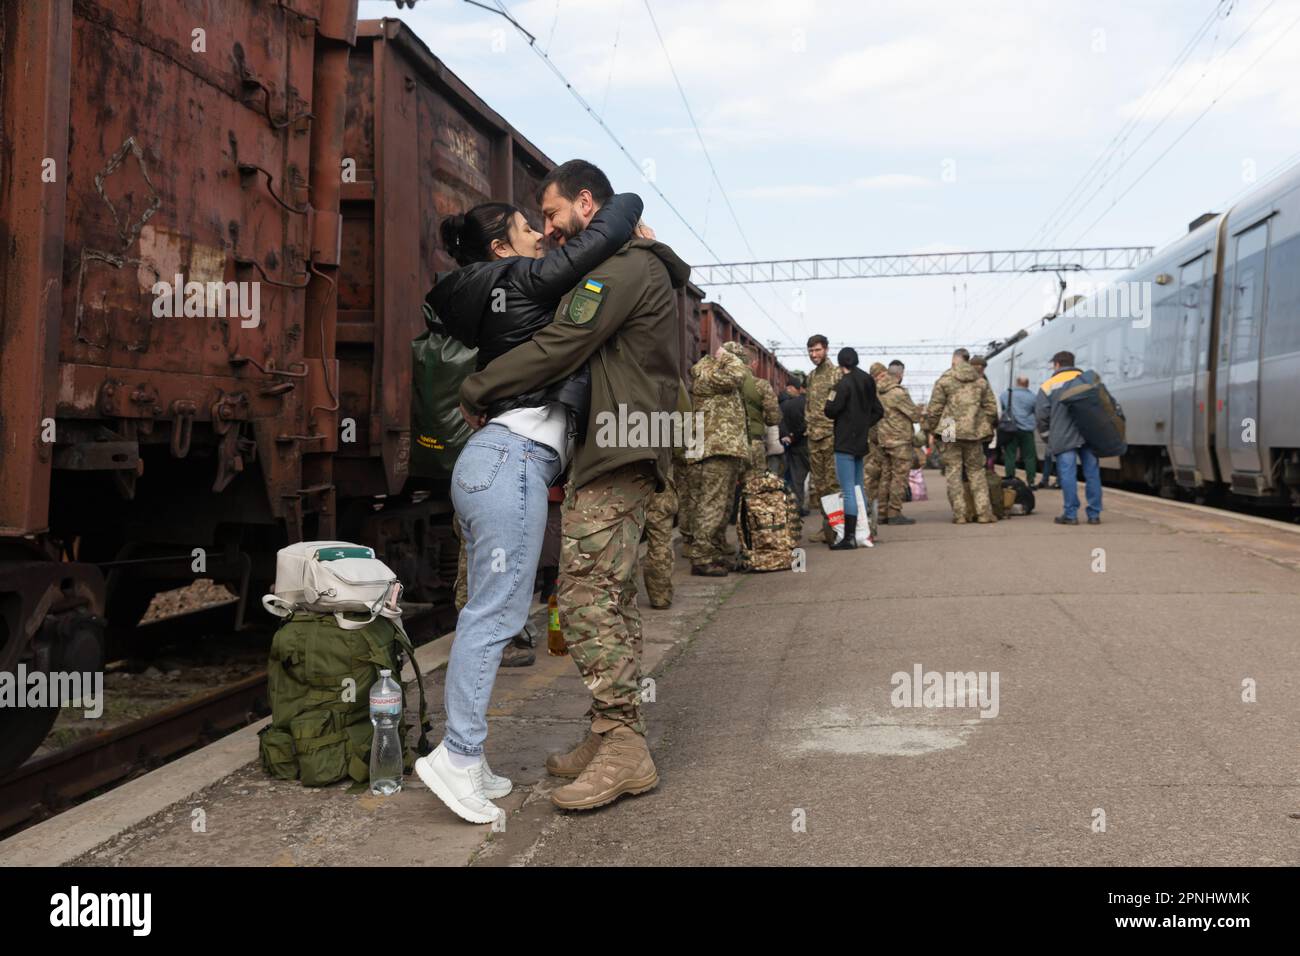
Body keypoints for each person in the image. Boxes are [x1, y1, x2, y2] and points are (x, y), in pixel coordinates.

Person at [456, 160, 689, 812]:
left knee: (585, 596)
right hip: (621, 445)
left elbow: (561, 343)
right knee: (606, 597)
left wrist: (479, 386)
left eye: (555, 214)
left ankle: (623, 748)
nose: (552, 229)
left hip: (618, 450)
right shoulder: (627, 265)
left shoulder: (624, 270)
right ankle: (612, 731)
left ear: (588, 203)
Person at [415, 188, 645, 823]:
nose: (543, 235)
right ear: (500, 246)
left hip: (498, 459)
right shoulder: (517, 281)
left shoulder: (491, 290)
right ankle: (456, 756)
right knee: (495, 615)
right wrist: (622, 200)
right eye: (530, 226)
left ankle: (472, 757)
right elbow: (601, 237)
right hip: (511, 460)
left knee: (492, 609)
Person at [687, 343, 749, 576]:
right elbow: (738, 374)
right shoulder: (708, 374)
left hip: (726, 449)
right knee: (712, 504)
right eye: (736, 358)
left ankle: (715, 551)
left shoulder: (719, 376)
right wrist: (728, 358)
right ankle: (702, 557)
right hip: (714, 449)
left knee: (723, 506)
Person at [1036, 350, 1115, 525]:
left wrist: (1047, 437)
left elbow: (1041, 415)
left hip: (1064, 437)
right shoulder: (1088, 380)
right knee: (1092, 474)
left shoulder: (1048, 385)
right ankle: (1094, 514)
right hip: (1089, 434)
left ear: (1057, 364)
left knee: (1068, 474)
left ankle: (1071, 514)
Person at [924, 348, 999, 524]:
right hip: (973, 430)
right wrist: (982, 425)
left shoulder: (945, 380)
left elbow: (934, 409)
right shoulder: (980, 381)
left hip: (949, 427)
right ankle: (984, 513)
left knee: (953, 471)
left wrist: (934, 429)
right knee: (976, 472)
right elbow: (991, 408)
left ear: (954, 360)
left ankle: (960, 515)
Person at [823, 348, 883, 550]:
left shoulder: (841, 384)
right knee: (858, 488)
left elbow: (829, 411)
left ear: (841, 365)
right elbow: (879, 411)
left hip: (844, 442)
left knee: (848, 490)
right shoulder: (868, 381)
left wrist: (832, 398)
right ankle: (864, 532)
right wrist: (864, 424)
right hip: (860, 442)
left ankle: (848, 538)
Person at [642, 381, 691, 609]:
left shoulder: (612, 364)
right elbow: (684, 421)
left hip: (618, 466)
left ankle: (620, 601)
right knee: (660, 535)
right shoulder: (669, 375)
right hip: (659, 466)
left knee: (623, 537)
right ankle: (660, 596)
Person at [871, 361, 922, 525]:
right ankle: (894, 512)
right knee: (899, 478)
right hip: (899, 442)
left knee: (885, 477)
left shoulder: (876, 392)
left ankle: (882, 513)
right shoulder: (898, 393)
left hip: (882, 441)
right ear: (900, 374)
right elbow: (914, 415)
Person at [805, 334, 843, 544]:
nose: (814, 354)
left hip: (830, 435)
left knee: (832, 484)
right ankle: (826, 525)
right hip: (813, 437)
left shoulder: (836, 374)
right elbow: (808, 406)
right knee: (819, 486)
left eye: (817, 350)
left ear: (826, 349)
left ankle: (837, 527)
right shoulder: (811, 377)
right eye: (811, 351)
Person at [780, 372, 809, 514]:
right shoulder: (810, 403)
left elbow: (780, 424)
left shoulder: (787, 405)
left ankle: (797, 508)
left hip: (796, 448)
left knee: (797, 480)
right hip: (814, 445)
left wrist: (790, 437)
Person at [1000, 375, 1038, 486]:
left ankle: (1010, 479)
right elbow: (1036, 412)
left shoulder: (1006, 394)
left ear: (1017, 383)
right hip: (1027, 430)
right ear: (1027, 384)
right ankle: (1031, 481)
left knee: (1010, 454)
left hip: (1010, 429)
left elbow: (1003, 409)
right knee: (1029, 456)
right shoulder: (1033, 397)